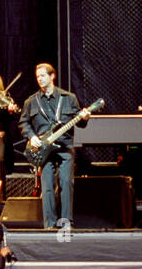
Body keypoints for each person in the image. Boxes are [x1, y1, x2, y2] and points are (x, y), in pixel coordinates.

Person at [18, 62, 91, 229]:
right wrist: (31, 136)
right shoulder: (32, 101)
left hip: (65, 147)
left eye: (43, 76)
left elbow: (79, 122)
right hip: (44, 149)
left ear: (52, 76)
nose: (40, 80)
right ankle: (49, 225)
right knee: (48, 186)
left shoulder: (68, 98)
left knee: (66, 182)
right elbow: (23, 123)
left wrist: (84, 118)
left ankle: (66, 223)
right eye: (38, 77)